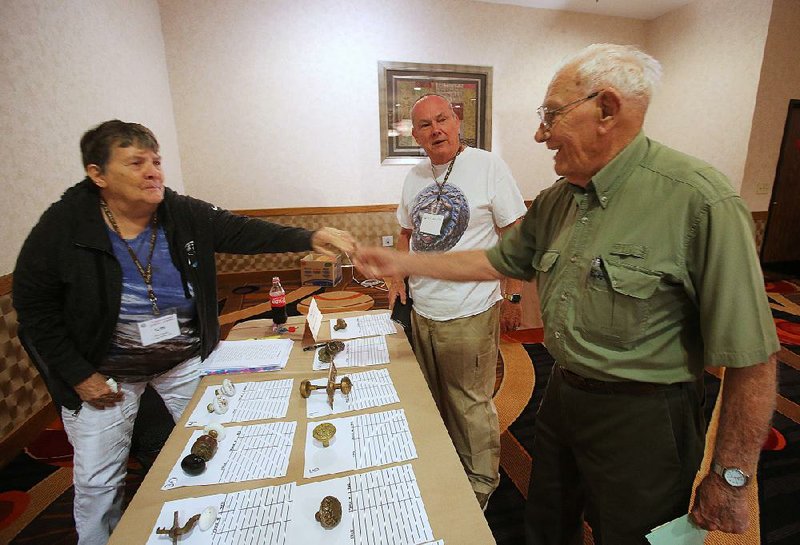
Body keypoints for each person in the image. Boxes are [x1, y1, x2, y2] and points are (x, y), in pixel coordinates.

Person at [356, 44, 779, 544]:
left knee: (631, 535)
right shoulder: (558, 200)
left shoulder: (699, 201)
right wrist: (403, 263)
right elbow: (495, 260)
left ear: (607, 110)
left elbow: (752, 356)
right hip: (561, 395)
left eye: (551, 116)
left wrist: (731, 477)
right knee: (547, 524)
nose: (540, 134)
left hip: (644, 416)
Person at [12, 120, 356, 545]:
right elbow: (34, 308)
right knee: (99, 482)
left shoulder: (180, 212)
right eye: (136, 163)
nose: (152, 172)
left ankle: (227, 527)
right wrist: (78, 374)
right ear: (97, 174)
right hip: (105, 375)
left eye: (156, 161)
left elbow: (241, 230)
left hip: (182, 360)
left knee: (219, 440)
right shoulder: (64, 226)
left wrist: (309, 235)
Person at [390, 94, 527, 509]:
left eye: (442, 119)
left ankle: (482, 482)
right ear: (416, 136)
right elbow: (404, 232)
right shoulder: (414, 176)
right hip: (423, 309)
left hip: (471, 309)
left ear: (456, 121)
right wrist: (397, 276)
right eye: (425, 125)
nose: (436, 130)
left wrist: (514, 293)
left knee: (469, 403)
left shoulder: (488, 166)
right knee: (431, 396)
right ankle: (448, 466)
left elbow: (515, 234)